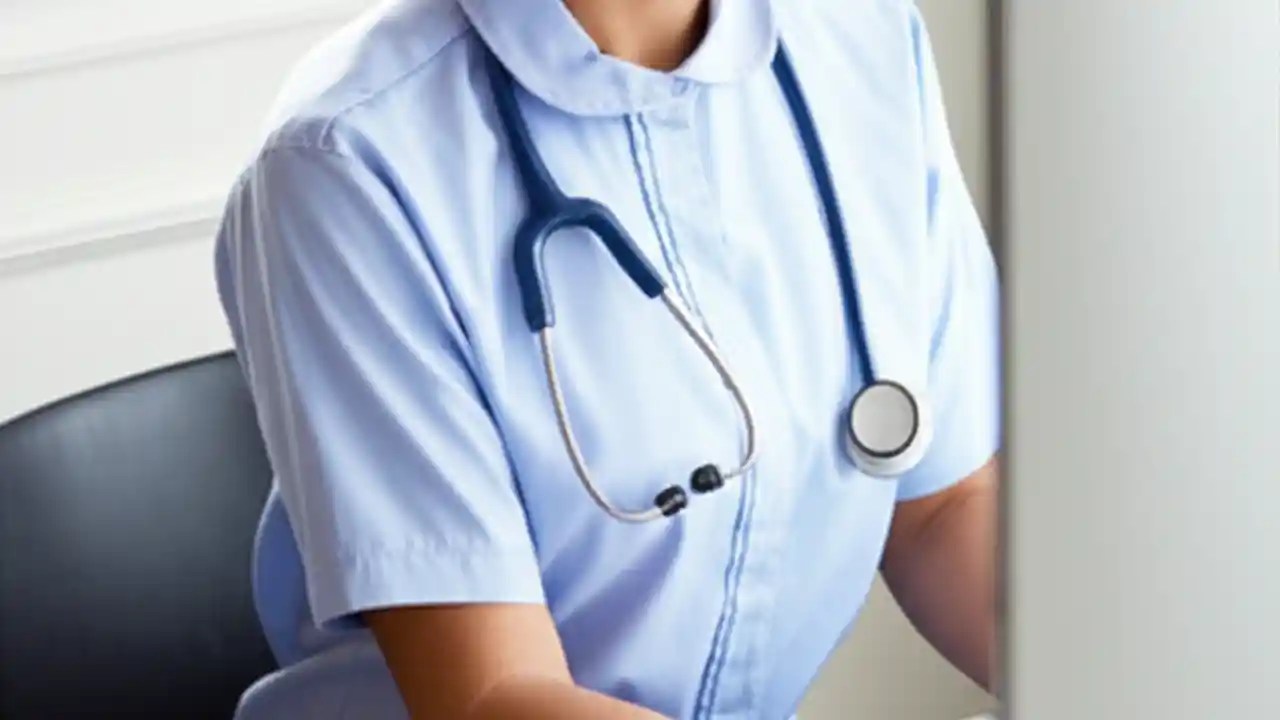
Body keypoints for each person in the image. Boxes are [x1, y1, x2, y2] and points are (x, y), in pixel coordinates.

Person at [213, 0, 1002, 717]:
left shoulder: (863, 38)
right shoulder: (346, 157)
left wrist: (1107, 673)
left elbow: (942, 506)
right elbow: (494, 696)